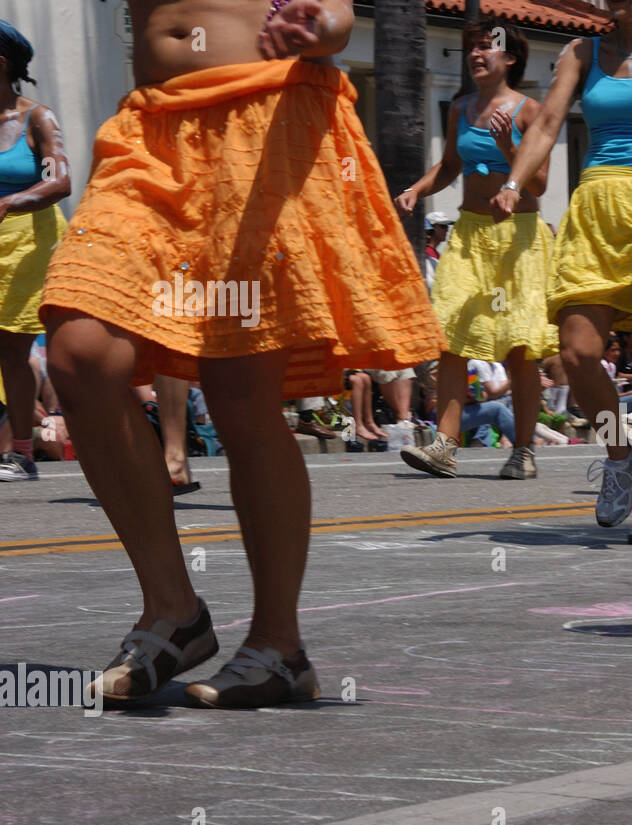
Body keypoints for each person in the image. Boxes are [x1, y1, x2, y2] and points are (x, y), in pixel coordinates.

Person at [40, 0, 444, 708]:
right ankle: (173, 608)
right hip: (151, 130)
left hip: (261, 129)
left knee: (238, 396)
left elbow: (340, 17)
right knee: (79, 351)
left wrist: (317, 29)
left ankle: (279, 645)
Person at [491, 0, 632, 543]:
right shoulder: (581, 51)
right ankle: (622, 454)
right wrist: (512, 182)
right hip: (598, 205)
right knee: (577, 353)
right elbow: (548, 123)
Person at [397, 16, 553, 481]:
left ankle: (523, 450)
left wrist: (509, 147)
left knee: (520, 350)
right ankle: (444, 447)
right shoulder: (460, 106)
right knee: (451, 341)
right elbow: (448, 166)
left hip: (518, 239)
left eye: (488, 47)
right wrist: (416, 190)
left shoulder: (529, 110)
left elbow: (540, 185)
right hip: (469, 237)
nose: (477, 54)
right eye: (473, 47)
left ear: (510, 58)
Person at [0, 20, 70, 482]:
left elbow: (60, 180)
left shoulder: (36, 117)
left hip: (29, 239)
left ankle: (20, 453)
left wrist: (10, 200)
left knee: (12, 350)